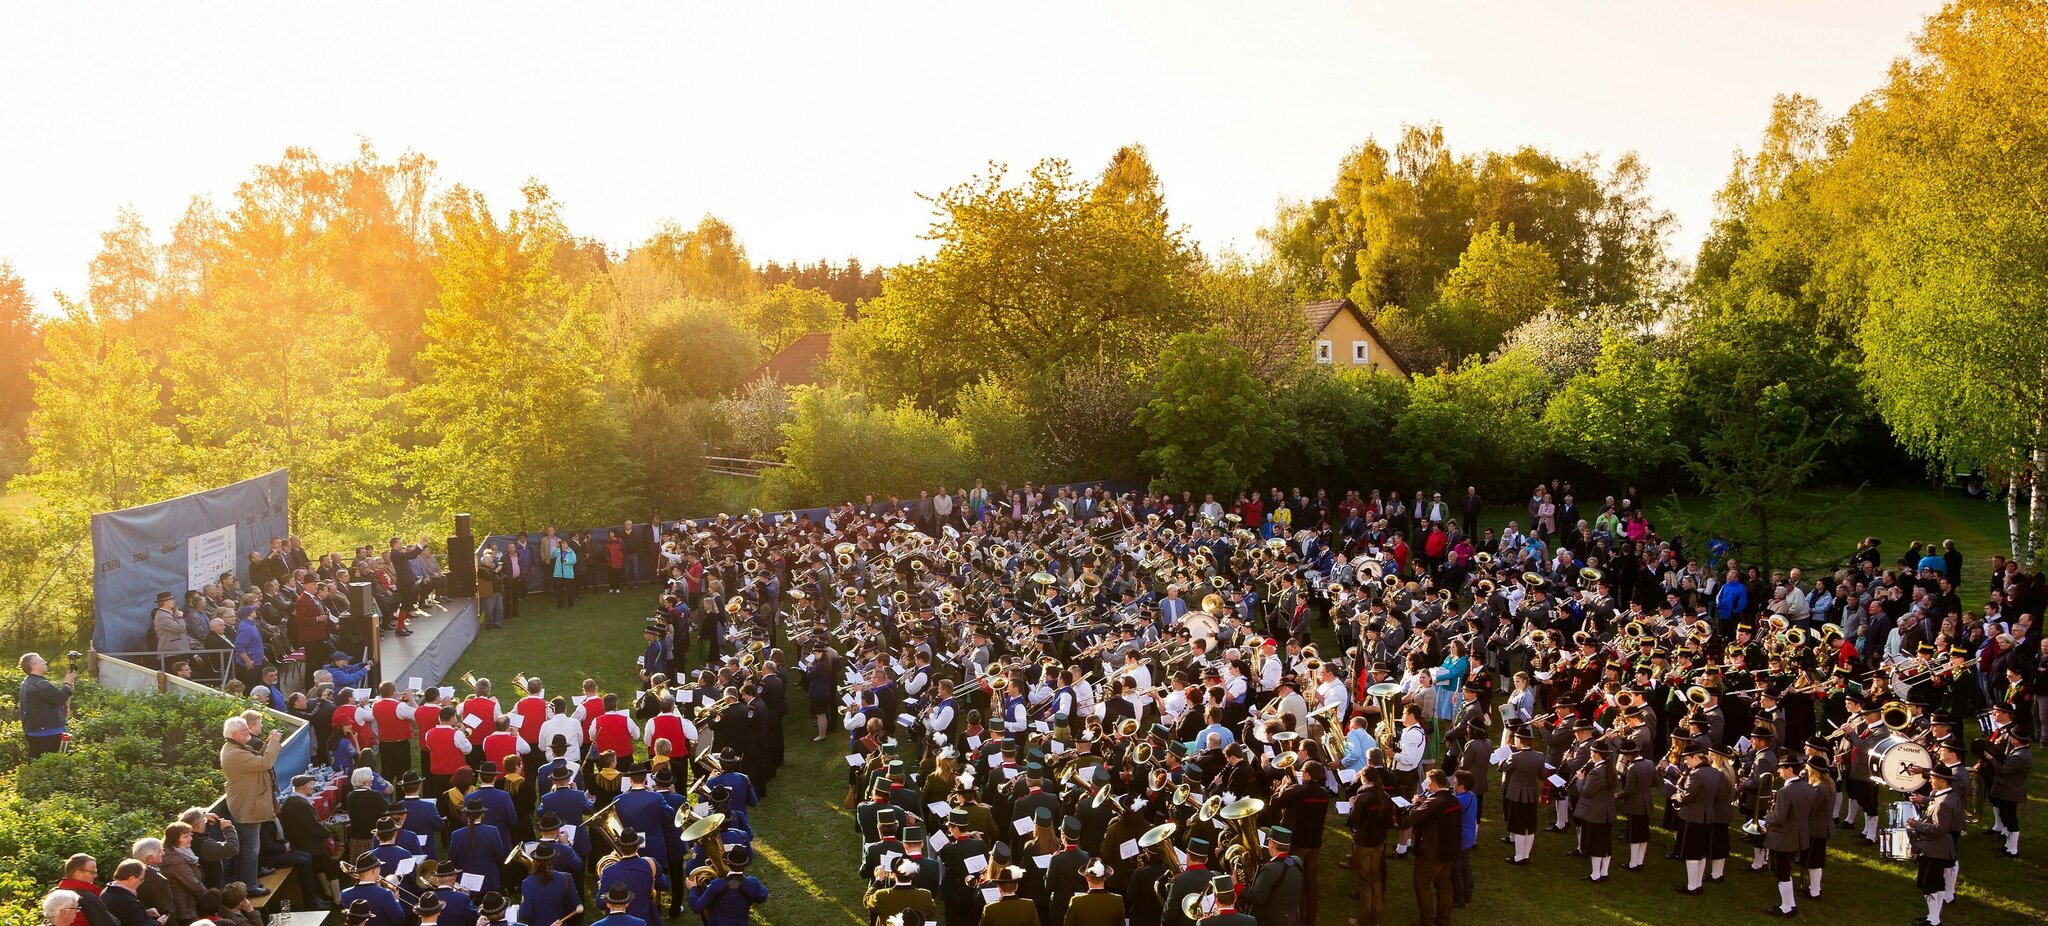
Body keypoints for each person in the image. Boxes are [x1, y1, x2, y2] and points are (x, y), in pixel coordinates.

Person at [216, 715, 279, 896]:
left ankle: (250, 880)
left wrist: (267, 743)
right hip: (247, 806)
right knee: (250, 849)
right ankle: (249, 886)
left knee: (252, 847)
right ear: (236, 734)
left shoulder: (237, 747)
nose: (249, 732)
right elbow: (263, 763)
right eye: (245, 730)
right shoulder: (234, 753)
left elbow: (258, 757)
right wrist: (274, 743)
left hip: (249, 804)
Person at [1407, 769, 1461, 926]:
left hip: (1432, 852)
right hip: (1450, 851)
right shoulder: (1453, 800)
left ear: (1434, 784)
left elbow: (1414, 818)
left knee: (1422, 883)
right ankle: (1444, 919)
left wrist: (1416, 803)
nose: (1427, 787)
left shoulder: (1434, 801)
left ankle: (1427, 919)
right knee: (1444, 886)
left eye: (1428, 783)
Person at [18, 652, 78, 757]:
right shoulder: (40, 684)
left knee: (38, 765)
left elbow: (54, 698)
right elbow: (59, 699)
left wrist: (67, 690)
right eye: (41, 661)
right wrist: (67, 683)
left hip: (35, 731)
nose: (45, 662)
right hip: (47, 733)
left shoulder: (28, 682)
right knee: (54, 766)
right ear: (34, 666)